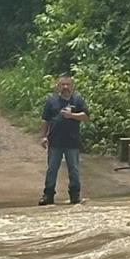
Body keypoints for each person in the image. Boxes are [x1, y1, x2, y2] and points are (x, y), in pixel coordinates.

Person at [38, 75, 89, 205]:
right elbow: (45, 120)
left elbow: (85, 116)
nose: (65, 87)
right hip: (55, 141)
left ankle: (75, 195)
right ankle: (48, 195)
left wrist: (71, 115)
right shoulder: (51, 101)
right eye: (62, 84)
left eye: (68, 84)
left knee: (74, 170)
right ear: (58, 86)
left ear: (72, 86)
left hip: (72, 142)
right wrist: (43, 136)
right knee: (52, 169)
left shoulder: (78, 100)